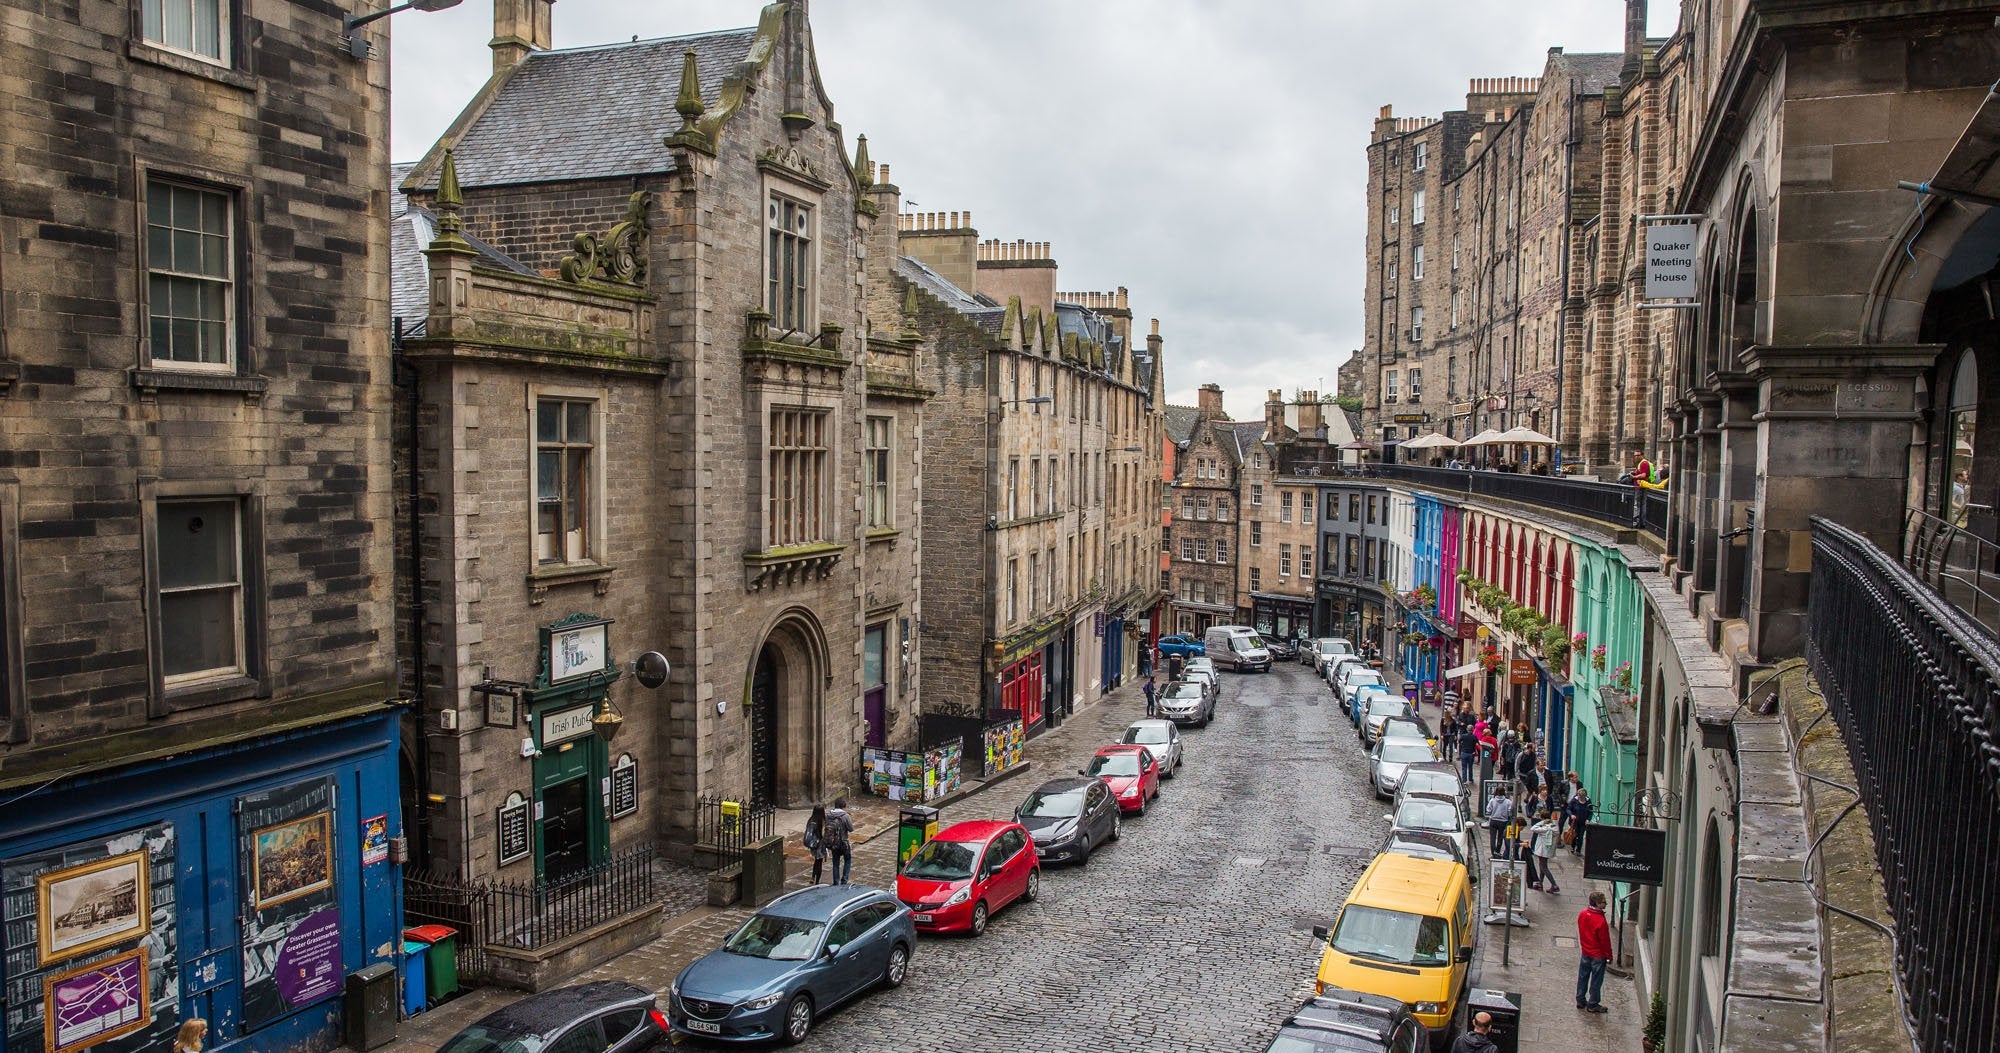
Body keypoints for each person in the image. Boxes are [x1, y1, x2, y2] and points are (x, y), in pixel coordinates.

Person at [1577, 891, 1613, 1012]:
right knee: (1596, 980)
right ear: (1597, 903)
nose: (1606, 904)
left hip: (1586, 951)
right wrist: (1609, 955)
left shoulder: (1582, 914)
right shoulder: (1600, 921)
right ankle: (1593, 1004)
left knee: (1583, 976)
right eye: (1603, 902)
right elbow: (1605, 941)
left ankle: (1580, 1000)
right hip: (1598, 955)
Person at [1528, 809, 1562, 892]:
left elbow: (1533, 828)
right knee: (1542, 865)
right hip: (1549, 849)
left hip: (1542, 849)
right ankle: (1540, 882)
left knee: (1544, 867)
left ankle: (1554, 885)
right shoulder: (1554, 826)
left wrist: (1542, 822)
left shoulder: (1544, 828)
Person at [825, 798, 854, 884]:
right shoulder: (845, 816)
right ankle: (844, 880)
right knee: (847, 860)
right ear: (843, 806)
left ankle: (835, 882)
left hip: (833, 843)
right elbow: (851, 829)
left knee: (835, 863)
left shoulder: (828, 815)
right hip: (843, 842)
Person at [1483, 788, 1515, 857]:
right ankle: (1497, 851)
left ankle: (1493, 852)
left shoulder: (1492, 800)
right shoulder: (1508, 802)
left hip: (1493, 820)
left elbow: (1488, 810)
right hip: (1503, 821)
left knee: (1492, 838)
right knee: (1500, 837)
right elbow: (1510, 812)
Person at [1566, 785, 1594, 856]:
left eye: (1582, 797)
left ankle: (1578, 850)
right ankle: (1573, 847)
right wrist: (1571, 815)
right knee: (1574, 835)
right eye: (1580, 797)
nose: (1581, 798)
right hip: (1575, 822)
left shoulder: (1588, 801)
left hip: (1583, 822)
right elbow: (1568, 809)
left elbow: (1590, 812)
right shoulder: (1574, 800)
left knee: (1581, 836)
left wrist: (1588, 819)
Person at [804, 803, 828, 885]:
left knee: (816, 860)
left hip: (813, 844)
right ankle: (817, 881)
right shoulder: (822, 821)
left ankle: (812, 877)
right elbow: (823, 834)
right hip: (820, 844)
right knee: (819, 862)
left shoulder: (811, 820)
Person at [1456, 718, 1479, 782]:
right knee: (1470, 767)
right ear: (1473, 730)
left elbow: (1459, 741)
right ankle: (1470, 779)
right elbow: (1477, 743)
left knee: (1464, 767)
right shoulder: (1474, 737)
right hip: (1471, 753)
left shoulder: (1463, 736)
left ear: (1467, 729)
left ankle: (1464, 780)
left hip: (1464, 753)